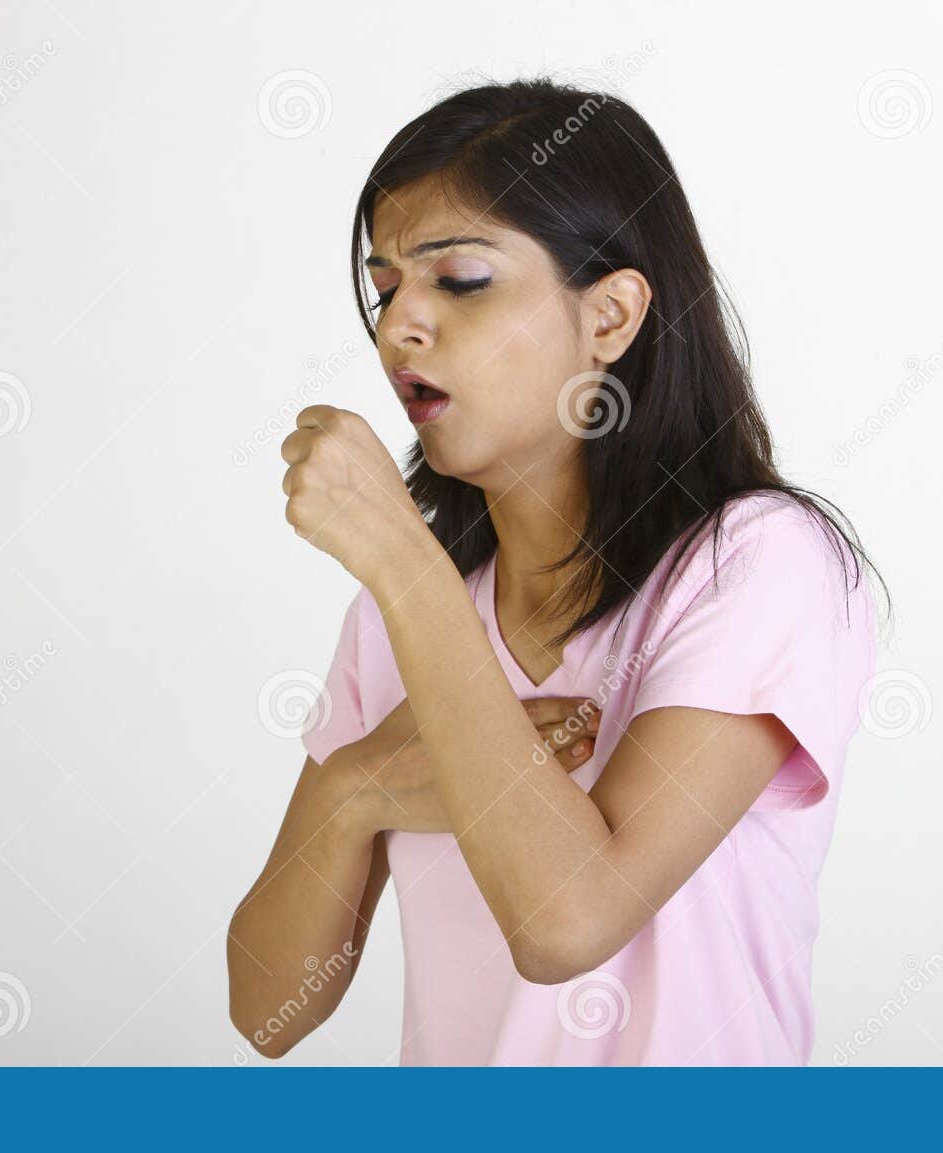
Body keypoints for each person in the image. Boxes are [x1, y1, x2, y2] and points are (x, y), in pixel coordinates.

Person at [228, 77, 888, 1065]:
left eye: (457, 278)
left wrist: (406, 565)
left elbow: (569, 922)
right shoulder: (398, 615)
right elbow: (267, 1010)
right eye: (386, 284)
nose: (397, 324)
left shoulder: (757, 564)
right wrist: (356, 787)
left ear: (611, 318)